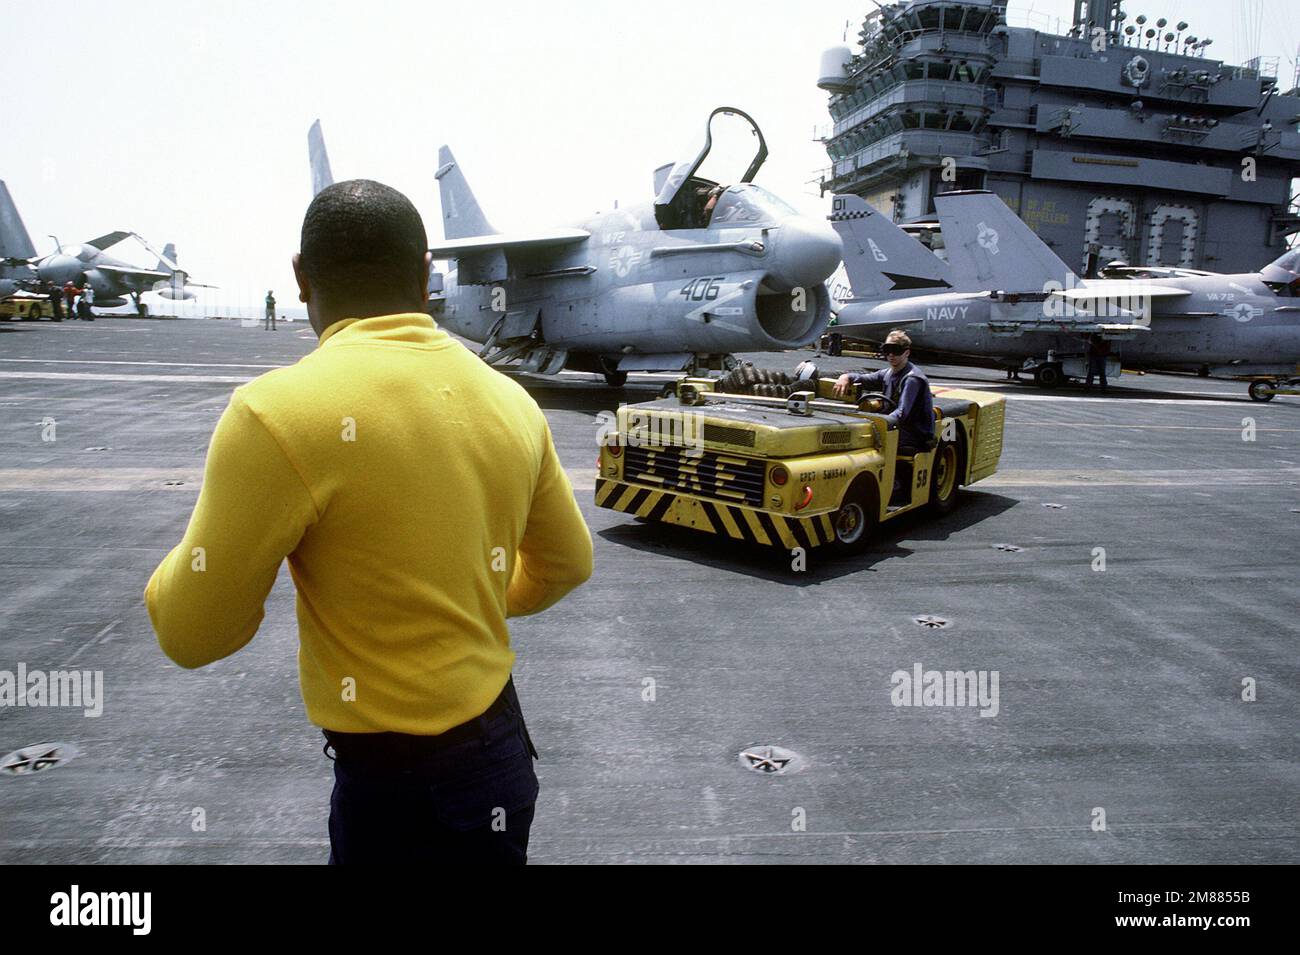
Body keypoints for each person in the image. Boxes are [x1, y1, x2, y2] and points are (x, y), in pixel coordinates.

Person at [144, 179, 593, 865]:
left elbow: (191, 633)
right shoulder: (511, 401)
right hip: (500, 756)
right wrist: (464, 601)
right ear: (424, 277)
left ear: (300, 278)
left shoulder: (276, 413)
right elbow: (568, 562)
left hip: (393, 789)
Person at [833, 329, 934, 454]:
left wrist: (878, 423)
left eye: (896, 350)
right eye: (887, 350)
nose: (891, 355)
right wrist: (846, 377)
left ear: (906, 353)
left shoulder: (912, 379)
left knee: (868, 441)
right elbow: (865, 378)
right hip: (898, 426)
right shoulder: (888, 373)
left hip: (914, 433)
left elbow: (902, 414)